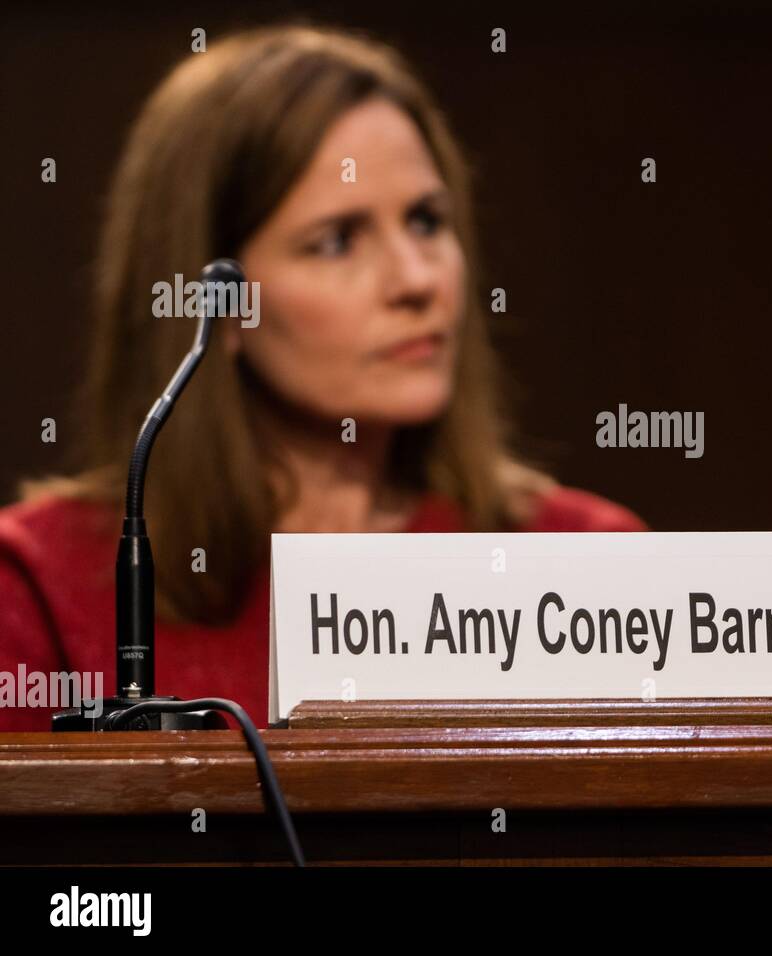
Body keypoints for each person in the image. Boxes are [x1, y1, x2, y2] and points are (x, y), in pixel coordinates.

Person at [0, 26, 644, 731]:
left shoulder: (582, 558)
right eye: (338, 240)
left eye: (427, 221)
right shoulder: (37, 587)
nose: (417, 279)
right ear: (220, 302)